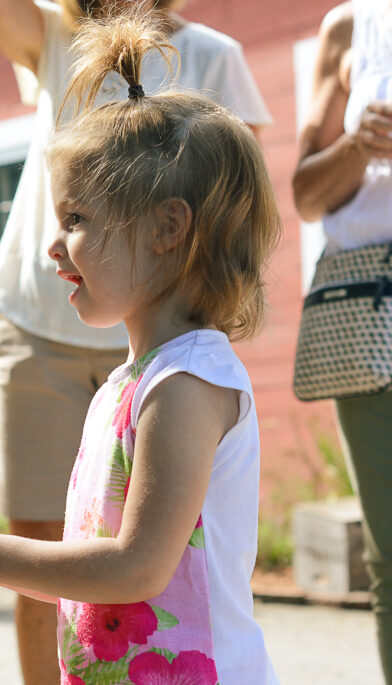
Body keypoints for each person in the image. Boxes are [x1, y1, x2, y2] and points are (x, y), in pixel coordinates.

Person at [0, 11, 281, 683]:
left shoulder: (186, 383)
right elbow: (90, 563)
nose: (51, 246)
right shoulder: (127, 384)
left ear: (167, 226)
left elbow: (137, 566)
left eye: (76, 220)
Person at [292, 1, 392, 680]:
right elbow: (303, 193)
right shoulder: (352, 26)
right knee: (390, 552)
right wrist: (359, 144)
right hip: (369, 305)